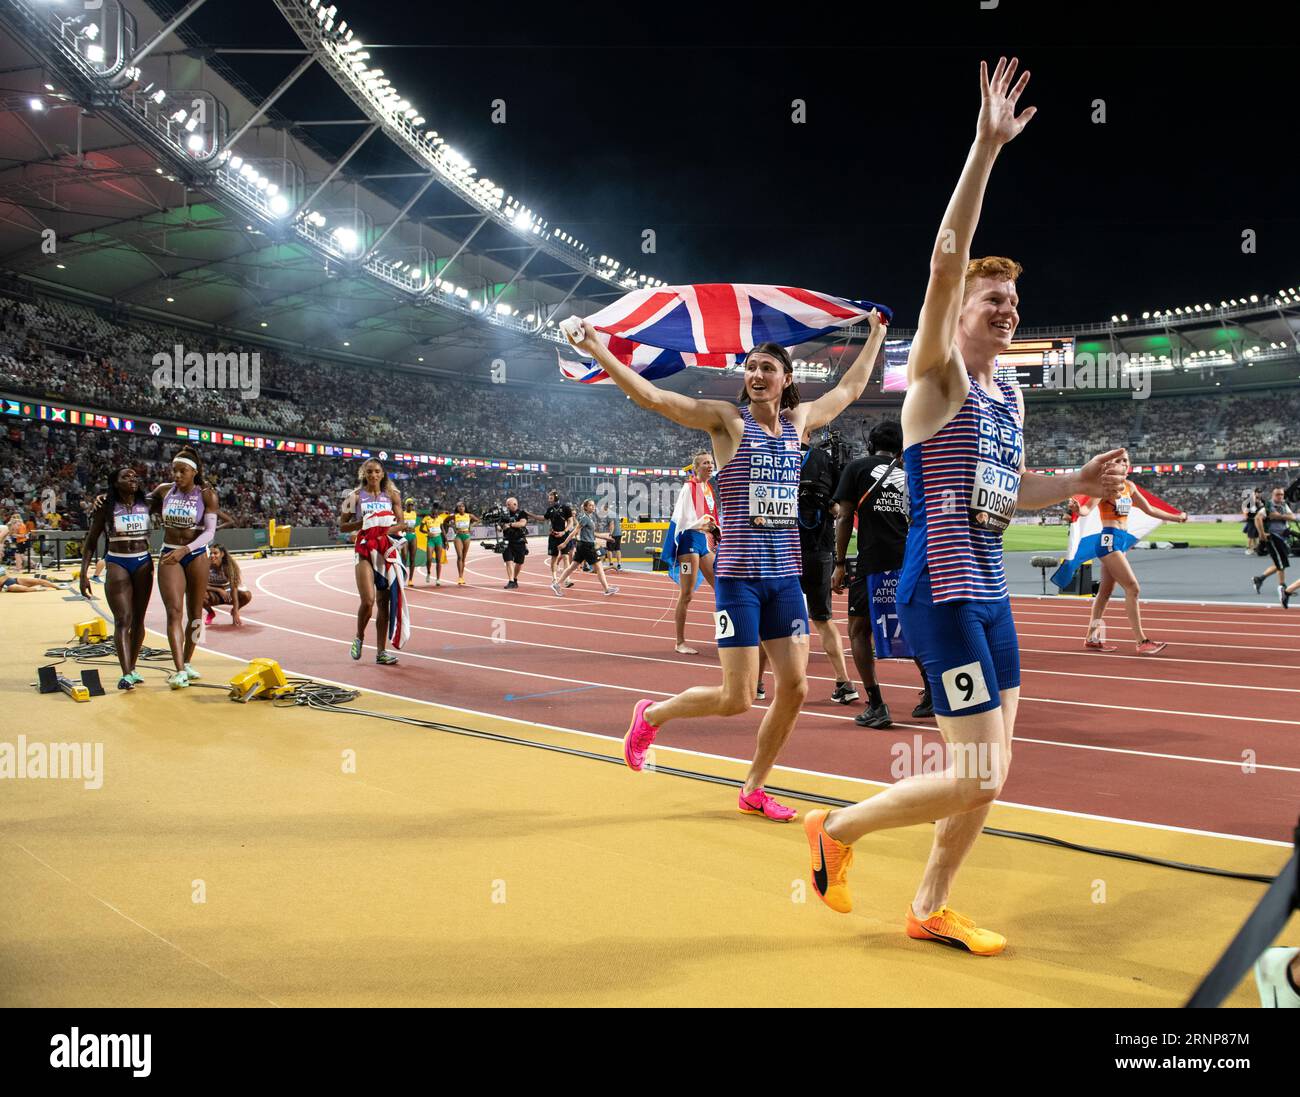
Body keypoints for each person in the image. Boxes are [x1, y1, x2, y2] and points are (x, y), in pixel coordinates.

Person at [801, 58, 1127, 954]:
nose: (1008, 307)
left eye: (1015, 299)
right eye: (993, 298)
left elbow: (1008, 494)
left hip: (991, 595)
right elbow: (946, 254)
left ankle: (927, 905)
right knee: (979, 771)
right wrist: (984, 149)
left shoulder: (1009, 399)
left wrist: (1082, 487)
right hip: (939, 592)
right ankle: (837, 829)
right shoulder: (935, 380)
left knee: (991, 773)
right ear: (956, 316)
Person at [568, 302, 889, 823]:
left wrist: (875, 332)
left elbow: (849, 390)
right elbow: (652, 397)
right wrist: (596, 348)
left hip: (784, 578)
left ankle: (754, 787)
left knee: (798, 687)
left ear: (787, 380)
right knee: (737, 697)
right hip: (739, 579)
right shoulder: (726, 422)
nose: (756, 375)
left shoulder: (799, 423)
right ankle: (652, 714)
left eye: (767, 367)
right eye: (751, 368)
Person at [833, 419, 932, 726]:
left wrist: (838, 563)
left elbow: (845, 516)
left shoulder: (857, 469)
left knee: (859, 631)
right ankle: (933, 693)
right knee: (915, 629)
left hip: (872, 562)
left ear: (870, 445)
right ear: (901, 447)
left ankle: (876, 703)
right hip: (911, 562)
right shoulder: (914, 472)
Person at [757, 432, 859, 705]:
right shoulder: (824, 460)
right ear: (810, 432)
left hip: (781, 551)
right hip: (820, 550)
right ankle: (844, 683)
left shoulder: (770, 460)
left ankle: (756, 683)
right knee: (824, 620)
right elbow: (840, 509)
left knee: (769, 619)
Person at [1074, 462, 1187, 655]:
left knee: (1104, 593)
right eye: (1120, 462)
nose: (1125, 464)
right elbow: (1087, 509)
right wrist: (1078, 509)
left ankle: (1091, 638)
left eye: (1126, 461)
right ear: (1111, 467)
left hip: (1121, 542)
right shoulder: (1103, 487)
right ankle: (1141, 641)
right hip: (1108, 541)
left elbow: (1149, 509)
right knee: (1133, 588)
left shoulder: (1130, 487)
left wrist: (1176, 517)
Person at [148, 446, 219, 689]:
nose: (177, 475)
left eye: (182, 471)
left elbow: (209, 533)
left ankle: (188, 661)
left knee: (196, 614)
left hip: (196, 554)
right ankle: (178, 669)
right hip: (169, 554)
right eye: (174, 471)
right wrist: (106, 498)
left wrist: (186, 550)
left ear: (194, 472)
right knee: (174, 612)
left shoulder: (207, 494)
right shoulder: (164, 491)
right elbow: (133, 501)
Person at [80, 467, 154, 690]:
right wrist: (84, 573)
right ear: (115, 483)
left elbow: (174, 492)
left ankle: (132, 667)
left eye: (134, 476)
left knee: (139, 619)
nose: (132, 479)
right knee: (123, 619)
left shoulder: (149, 502)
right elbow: (91, 541)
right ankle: (126, 673)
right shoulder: (106, 506)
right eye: (126, 477)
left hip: (143, 562)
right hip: (118, 561)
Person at [339, 458, 407, 664]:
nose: (373, 475)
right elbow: (342, 526)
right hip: (364, 548)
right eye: (369, 472)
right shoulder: (353, 496)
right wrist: (364, 523)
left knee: (383, 604)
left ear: (383, 473)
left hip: (385, 549)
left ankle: (380, 652)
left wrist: (384, 529)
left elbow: (401, 523)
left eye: (377, 471)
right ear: (364, 474)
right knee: (368, 600)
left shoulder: (394, 495)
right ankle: (359, 636)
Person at [661, 451, 719, 655]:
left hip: (703, 541)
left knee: (722, 588)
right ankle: (680, 641)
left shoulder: (708, 488)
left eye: (711, 462)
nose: (710, 465)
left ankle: (726, 635)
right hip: (688, 544)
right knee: (687, 594)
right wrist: (703, 524)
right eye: (705, 463)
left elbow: (710, 516)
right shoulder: (689, 487)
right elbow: (681, 518)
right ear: (696, 468)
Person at [552, 499, 620, 597]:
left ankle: (557, 584)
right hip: (587, 546)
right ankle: (606, 589)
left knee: (572, 567)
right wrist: (564, 543)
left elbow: (592, 534)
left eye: (593, 505)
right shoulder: (585, 518)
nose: (593, 507)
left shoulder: (589, 518)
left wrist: (605, 538)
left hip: (583, 545)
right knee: (599, 567)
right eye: (591, 505)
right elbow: (575, 531)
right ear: (586, 507)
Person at [1252, 486, 1297, 605]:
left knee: (1280, 562)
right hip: (1273, 537)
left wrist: (1279, 516)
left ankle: (1259, 578)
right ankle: (1283, 588)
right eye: (1278, 495)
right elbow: (1258, 518)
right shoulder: (1267, 506)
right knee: (1281, 562)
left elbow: (1293, 517)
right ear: (1273, 495)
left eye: (1281, 495)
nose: (1280, 497)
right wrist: (1262, 534)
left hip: (1284, 537)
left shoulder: (1284, 505)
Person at [203, 544, 251, 626]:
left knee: (247, 595)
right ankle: (210, 613)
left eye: (215, 553)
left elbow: (234, 589)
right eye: (210, 553)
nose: (212, 556)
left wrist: (236, 610)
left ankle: (233, 611)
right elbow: (200, 585)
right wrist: (218, 590)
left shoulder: (230, 566)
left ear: (222, 554)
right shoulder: (204, 565)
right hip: (212, 595)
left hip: (228, 594)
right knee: (199, 594)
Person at [543, 490, 576, 588]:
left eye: (551, 498)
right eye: (549, 498)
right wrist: (530, 515)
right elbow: (544, 518)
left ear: (556, 498)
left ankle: (567, 579)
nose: (549, 500)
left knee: (565, 556)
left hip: (563, 536)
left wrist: (564, 532)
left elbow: (570, 522)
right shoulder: (549, 510)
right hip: (553, 536)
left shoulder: (566, 508)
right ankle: (554, 578)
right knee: (554, 557)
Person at [500, 496, 532, 590]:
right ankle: (511, 581)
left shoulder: (522, 513)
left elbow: (522, 523)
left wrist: (510, 525)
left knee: (519, 562)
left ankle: (514, 579)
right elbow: (500, 526)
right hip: (507, 541)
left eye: (508, 505)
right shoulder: (504, 514)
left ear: (515, 504)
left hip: (519, 541)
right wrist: (500, 527)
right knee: (508, 561)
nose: (507, 506)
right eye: (507, 505)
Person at [449, 501, 476, 585]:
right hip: (458, 536)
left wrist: (471, 526)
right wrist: (452, 526)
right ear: (457, 508)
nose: (461, 508)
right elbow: (445, 521)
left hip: (467, 536)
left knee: (463, 557)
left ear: (465, 508)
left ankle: (462, 576)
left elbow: (477, 520)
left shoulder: (469, 515)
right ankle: (460, 577)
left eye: (463, 506)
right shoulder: (454, 516)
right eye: (459, 506)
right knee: (460, 556)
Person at [1242, 487, 1264, 557]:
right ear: (1255, 493)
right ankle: (1248, 548)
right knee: (1251, 535)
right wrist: (1246, 516)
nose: (1259, 494)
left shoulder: (1262, 501)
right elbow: (1246, 510)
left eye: (1260, 492)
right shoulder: (1250, 501)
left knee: (1256, 535)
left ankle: (1255, 548)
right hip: (1251, 520)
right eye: (1258, 492)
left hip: (1259, 519)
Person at [605, 506, 624, 571]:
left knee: (609, 549)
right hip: (619, 533)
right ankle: (619, 564)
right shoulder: (615, 514)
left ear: (606, 508)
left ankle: (611, 564)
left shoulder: (609, 515)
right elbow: (620, 521)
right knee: (617, 549)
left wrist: (610, 534)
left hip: (613, 534)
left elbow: (612, 525)